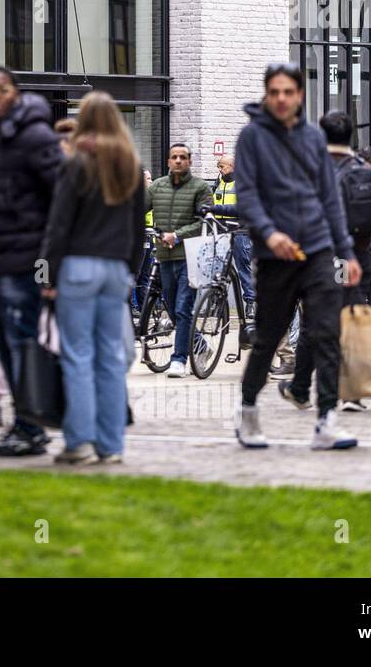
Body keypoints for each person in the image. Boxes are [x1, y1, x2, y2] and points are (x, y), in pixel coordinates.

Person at [233, 63, 362, 451]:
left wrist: (347, 252)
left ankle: (326, 420)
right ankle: (249, 411)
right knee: (268, 336)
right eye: (274, 92)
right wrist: (270, 235)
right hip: (275, 256)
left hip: (319, 249)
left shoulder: (312, 139)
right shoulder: (252, 138)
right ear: (266, 94)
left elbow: (329, 200)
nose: (282, 98)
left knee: (327, 332)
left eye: (288, 91)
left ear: (300, 95)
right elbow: (248, 196)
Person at [0, 66, 64, 458]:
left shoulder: (34, 135)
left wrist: (51, 261)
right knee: (4, 343)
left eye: (3, 89)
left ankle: (30, 426)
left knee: (21, 343)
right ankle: (24, 421)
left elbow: (60, 196)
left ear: (16, 94)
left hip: (23, 258)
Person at [40, 91, 146, 465]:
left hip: (78, 266)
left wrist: (46, 274)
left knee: (77, 355)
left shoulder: (77, 162)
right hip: (117, 269)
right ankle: (112, 444)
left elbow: (58, 224)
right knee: (111, 357)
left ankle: (79, 442)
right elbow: (137, 229)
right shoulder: (130, 164)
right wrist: (131, 272)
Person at [321, 112, 371, 412]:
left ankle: (322, 389)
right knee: (357, 319)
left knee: (328, 320)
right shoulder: (363, 174)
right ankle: (352, 390)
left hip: (328, 256)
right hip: (360, 256)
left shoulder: (315, 169)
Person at [146, 143, 209, 378]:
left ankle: (179, 359)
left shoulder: (200, 188)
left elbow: (204, 220)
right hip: (164, 256)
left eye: (183, 157)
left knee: (183, 307)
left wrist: (178, 235)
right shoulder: (157, 187)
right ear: (168, 161)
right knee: (172, 310)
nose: (179, 161)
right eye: (174, 157)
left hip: (189, 256)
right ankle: (200, 344)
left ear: (190, 161)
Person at [210, 153, 254, 319]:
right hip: (221, 231)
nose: (220, 170)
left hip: (240, 231)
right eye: (219, 167)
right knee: (217, 267)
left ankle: (250, 303)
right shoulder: (218, 183)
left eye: (223, 166)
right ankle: (216, 303)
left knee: (244, 267)